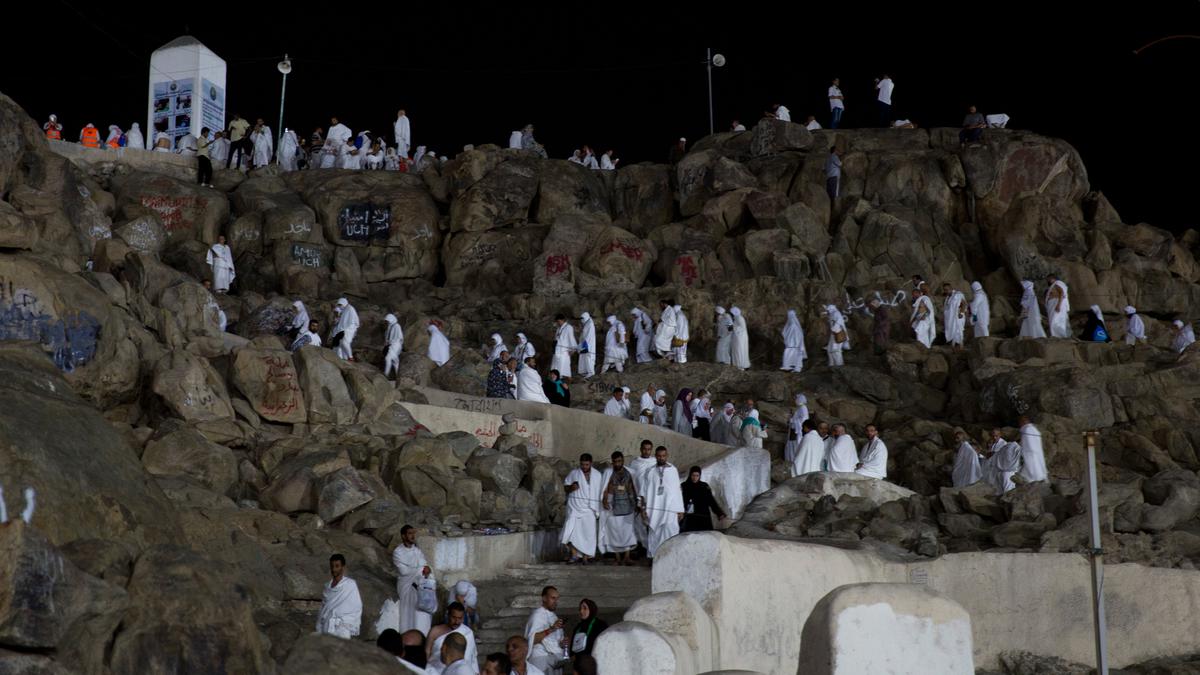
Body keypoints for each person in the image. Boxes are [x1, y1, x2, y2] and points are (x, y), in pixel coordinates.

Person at [639, 446, 685, 559]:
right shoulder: (649, 471)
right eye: (659, 456)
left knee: (671, 532)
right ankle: (654, 558)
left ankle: (671, 558)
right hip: (654, 509)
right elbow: (643, 492)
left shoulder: (673, 470)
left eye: (663, 456)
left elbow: (677, 490)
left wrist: (680, 509)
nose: (661, 458)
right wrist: (643, 509)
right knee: (654, 534)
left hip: (670, 510)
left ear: (667, 456)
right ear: (655, 456)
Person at [393, 525, 434, 635]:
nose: (412, 536)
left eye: (413, 533)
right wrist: (422, 570)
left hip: (419, 585)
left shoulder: (417, 551)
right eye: (410, 533)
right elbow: (404, 572)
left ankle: (423, 635)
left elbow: (425, 566)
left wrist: (426, 570)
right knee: (410, 612)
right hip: (406, 586)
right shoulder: (398, 552)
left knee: (422, 614)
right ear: (403, 536)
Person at [563, 454, 602, 564]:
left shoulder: (597, 475)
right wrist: (571, 487)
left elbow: (600, 492)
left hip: (589, 509)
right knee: (570, 532)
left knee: (588, 534)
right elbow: (565, 487)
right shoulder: (574, 473)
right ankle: (574, 555)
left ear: (591, 463)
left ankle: (585, 557)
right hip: (575, 508)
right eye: (582, 464)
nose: (584, 467)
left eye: (586, 464)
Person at [601, 451, 639, 565]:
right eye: (615, 462)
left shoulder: (629, 473)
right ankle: (617, 558)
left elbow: (632, 489)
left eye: (619, 461)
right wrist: (604, 500)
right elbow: (606, 488)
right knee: (614, 532)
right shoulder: (609, 473)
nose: (617, 464)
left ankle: (627, 557)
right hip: (613, 506)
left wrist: (635, 504)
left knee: (627, 532)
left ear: (623, 461)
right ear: (612, 462)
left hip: (627, 506)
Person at [317, 554, 362, 639]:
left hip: (342, 629)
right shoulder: (327, 587)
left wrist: (343, 623)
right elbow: (323, 608)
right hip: (326, 627)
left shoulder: (350, 584)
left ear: (343, 567)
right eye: (332, 566)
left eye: (337, 566)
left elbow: (357, 607)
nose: (334, 569)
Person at [426, 603, 478, 674]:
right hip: (434, 671)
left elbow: (472, 657)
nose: (456, 621)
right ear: (448, 615)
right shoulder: (435, 631)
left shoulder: (468, 633)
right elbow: (427, 652)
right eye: (454, 617)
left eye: (460, 618)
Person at [524, 587, 564, 674]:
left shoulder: (554, 617)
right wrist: (551, 629)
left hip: (554, 659)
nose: (556, 601)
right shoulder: (537, 616)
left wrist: (562, 643)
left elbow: (556, 642)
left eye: (557, 598)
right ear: (544, 598)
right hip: (540, 659)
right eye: (553, 598)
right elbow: (532, 639)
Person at [680, 466, 727, 532]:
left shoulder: (704, 486)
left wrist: (719, 513)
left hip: (703, 516)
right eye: (693, 475)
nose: (695, 478)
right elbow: (679, 501)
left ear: (699, 476)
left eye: (697, 475)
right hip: (690, 517)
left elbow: (711, 501)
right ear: (690, 475)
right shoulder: (684, 486)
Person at [1018, 415, 1048, 483]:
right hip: (1037, 453)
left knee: (1032, 471)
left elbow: (1029, 444)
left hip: (1030, 454)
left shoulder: (1027, 429)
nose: (1019, 424)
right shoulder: (1034, 429)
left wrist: (1022, 451)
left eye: (1020, 422)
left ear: (1024, 421)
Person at [783, 394, 810, 465]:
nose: (795, 400)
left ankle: (794, 462)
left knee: (795, 446)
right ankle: (790, 460)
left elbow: (804, 420)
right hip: (794, 430)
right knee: (791, 445)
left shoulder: (803, 408)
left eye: (796, 398)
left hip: (797, 431)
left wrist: (792, 421)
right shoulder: (799, 408)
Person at [1045, 274, 1071, 339]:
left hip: (1056, 304)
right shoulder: (1054, 285)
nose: (1048, 280)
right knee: (1054, 320)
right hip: (1053, 304)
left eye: (1049, 279)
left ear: (1053, 278)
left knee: (1055, 320)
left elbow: (1061, 293)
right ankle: (1056, 335)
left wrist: (1058, 305)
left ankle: (1058, 336)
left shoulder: (1057, 283)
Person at [942, 283, 967, 349]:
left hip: (957, 317)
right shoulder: (948, 297)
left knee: (958, 332)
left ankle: (961, 347)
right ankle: (953, 348)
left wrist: (961, 313)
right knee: (952, 332)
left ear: (951, 288)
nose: (945, 291)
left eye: (947, 289)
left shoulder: (958, 294)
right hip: (950, 319)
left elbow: (964, 303)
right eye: (944, 290)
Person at [576, 312, 597, 378]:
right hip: (584, 343)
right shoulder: (586, 323)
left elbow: (588, 337)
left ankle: (591, 372)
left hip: (588, 344)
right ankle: (584, 371)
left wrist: (583, 345)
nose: (581, 320)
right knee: (583, 357)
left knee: (588, 357)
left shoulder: (590, 324)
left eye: (582, 318)